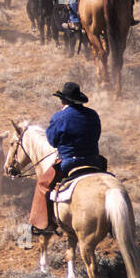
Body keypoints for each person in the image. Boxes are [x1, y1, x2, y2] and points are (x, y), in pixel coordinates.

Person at [29, 83, 104, 235]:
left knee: (42, 184)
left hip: (70, 162)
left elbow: (52, 141)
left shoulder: (59, 117)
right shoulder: (93, 115)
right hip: (94, 161)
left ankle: (44, 224)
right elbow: (96, 136)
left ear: (64, 101)